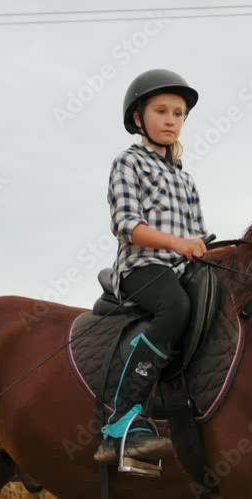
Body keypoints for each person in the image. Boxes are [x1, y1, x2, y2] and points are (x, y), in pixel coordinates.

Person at [96, 69, 209, 461]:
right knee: (175, 307)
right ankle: (121, 420)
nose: (171, 120)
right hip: (142, 268)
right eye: (161, 111)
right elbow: (125, 224)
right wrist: (177, 243)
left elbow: (200, 235)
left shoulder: (186, 180)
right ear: (138, 119)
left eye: (178, 114)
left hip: (180, 269)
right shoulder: (129, 163)